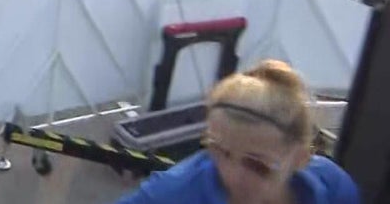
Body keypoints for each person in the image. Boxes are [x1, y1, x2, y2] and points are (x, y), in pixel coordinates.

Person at [118, 60, 359, 204]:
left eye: (256, 165)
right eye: (218, 151)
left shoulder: (334, 187)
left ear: (300, 158)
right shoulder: (170, 194)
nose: (231, 175)